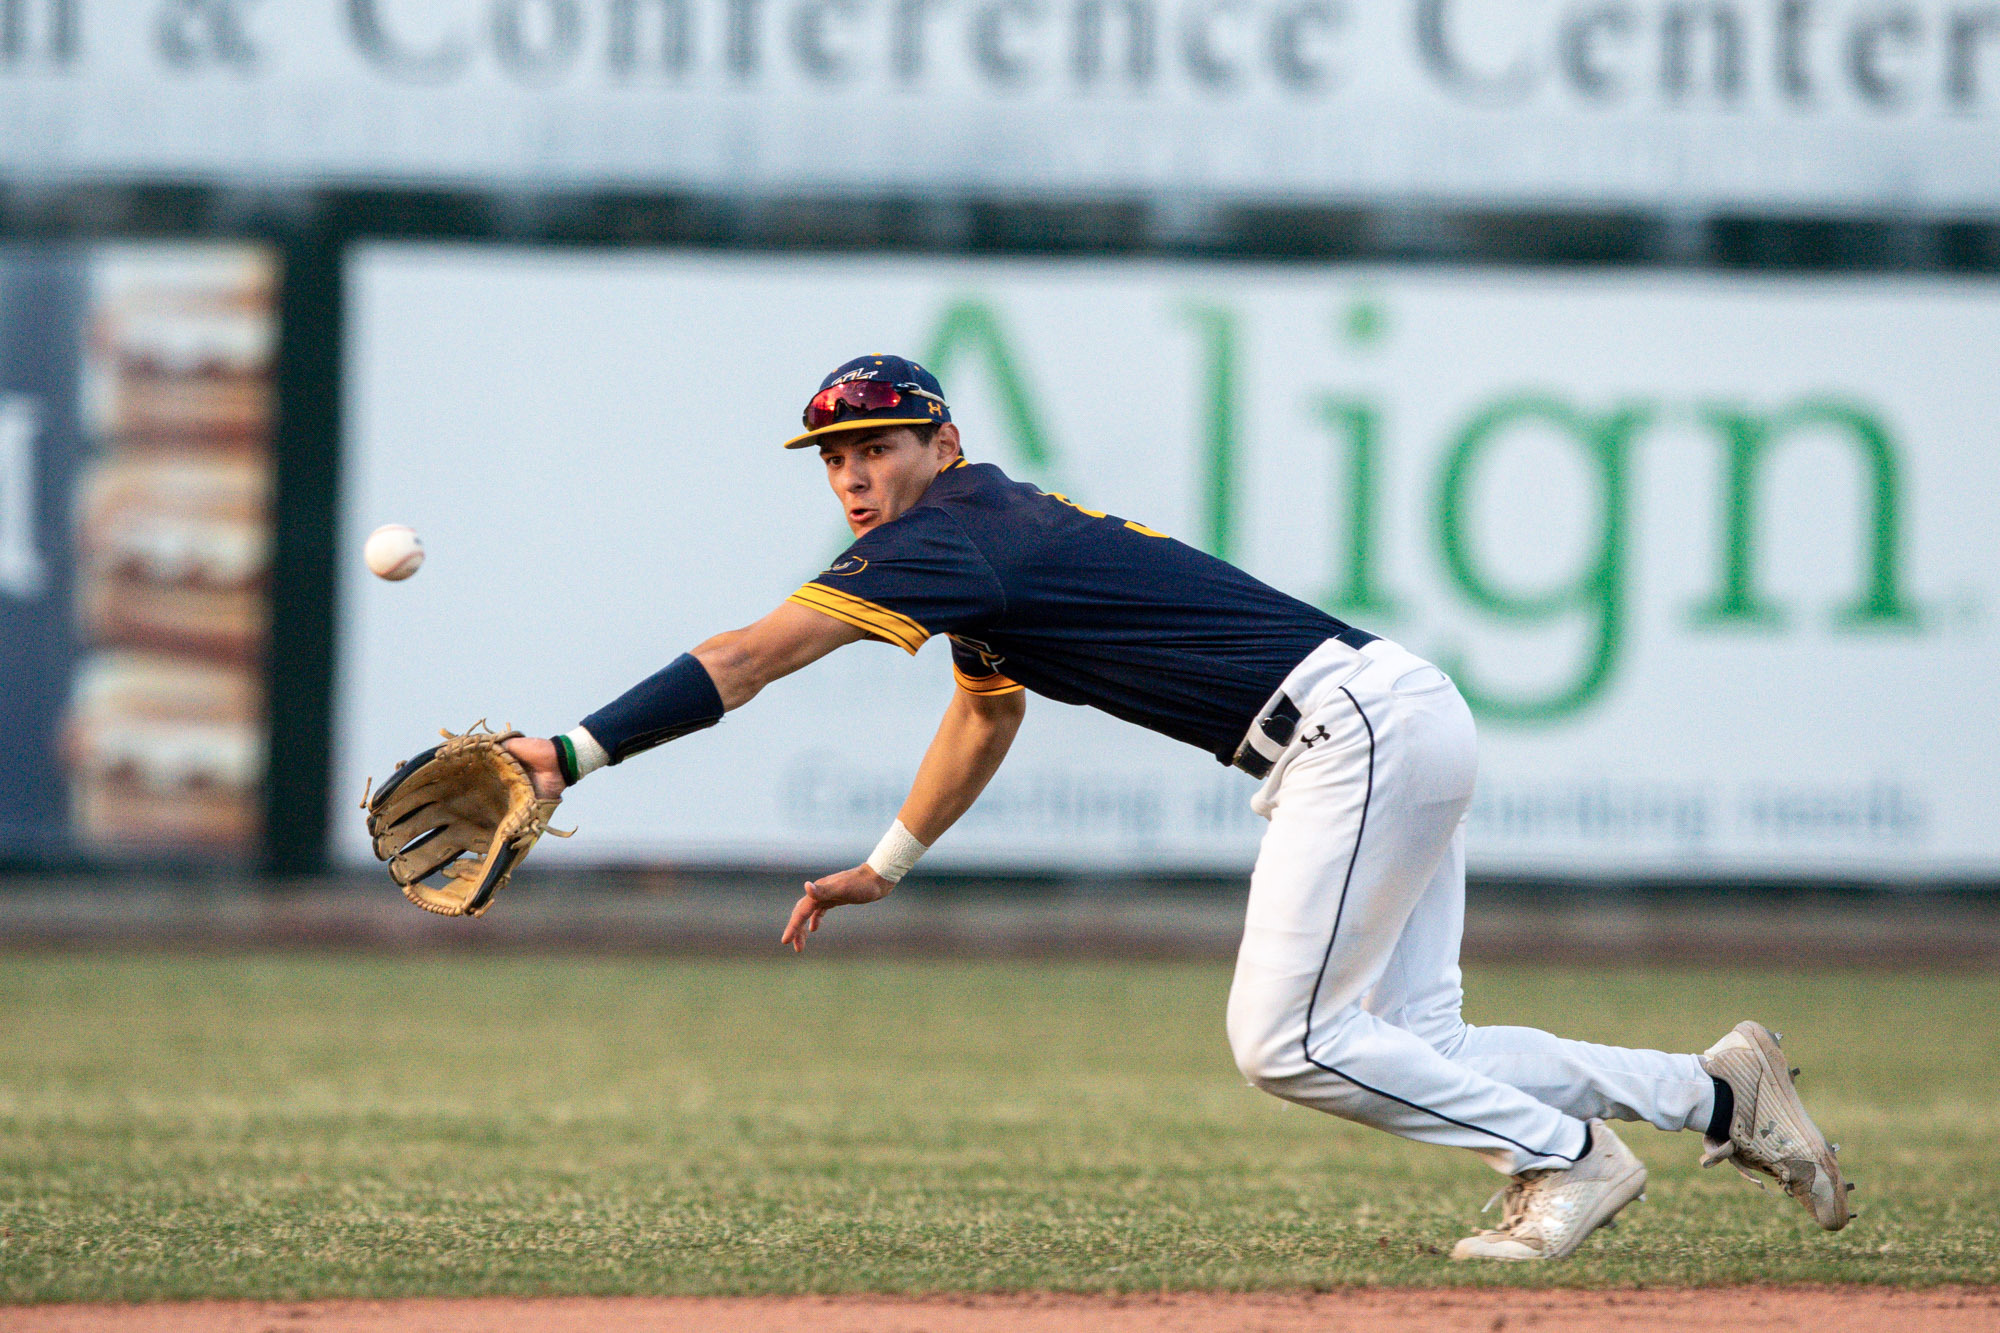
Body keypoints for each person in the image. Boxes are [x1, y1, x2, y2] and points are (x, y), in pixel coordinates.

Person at [503, 354, 1853, 1261]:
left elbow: (746, 658)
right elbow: (984, 712)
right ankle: (1713, 1094)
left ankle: (1567, 1156)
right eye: (834, 455)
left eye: (877, 445)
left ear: (942, 444)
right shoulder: (974, 539)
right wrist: (889, 862)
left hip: (1352, 733)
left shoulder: (945, 536)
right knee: (1414, 1040)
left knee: (1285, 1041)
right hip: (1391, 710)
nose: (853, 474)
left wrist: (572, 751)